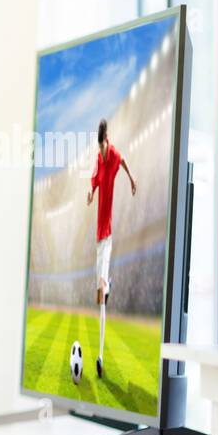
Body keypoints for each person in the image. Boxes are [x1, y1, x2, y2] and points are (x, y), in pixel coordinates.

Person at [87, 117, 136, 378]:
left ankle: (100, 356)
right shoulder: (99, 156)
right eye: (101, 150)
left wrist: (131, 178)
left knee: (102, 295)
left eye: (104, 148)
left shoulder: (114, 154)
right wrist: (91, 192)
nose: (103, 152)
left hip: (107, 236)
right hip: (97, 238)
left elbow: (124, 161)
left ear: (108, 141)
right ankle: (107, 287)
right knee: (99, 296)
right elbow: (94, 178)